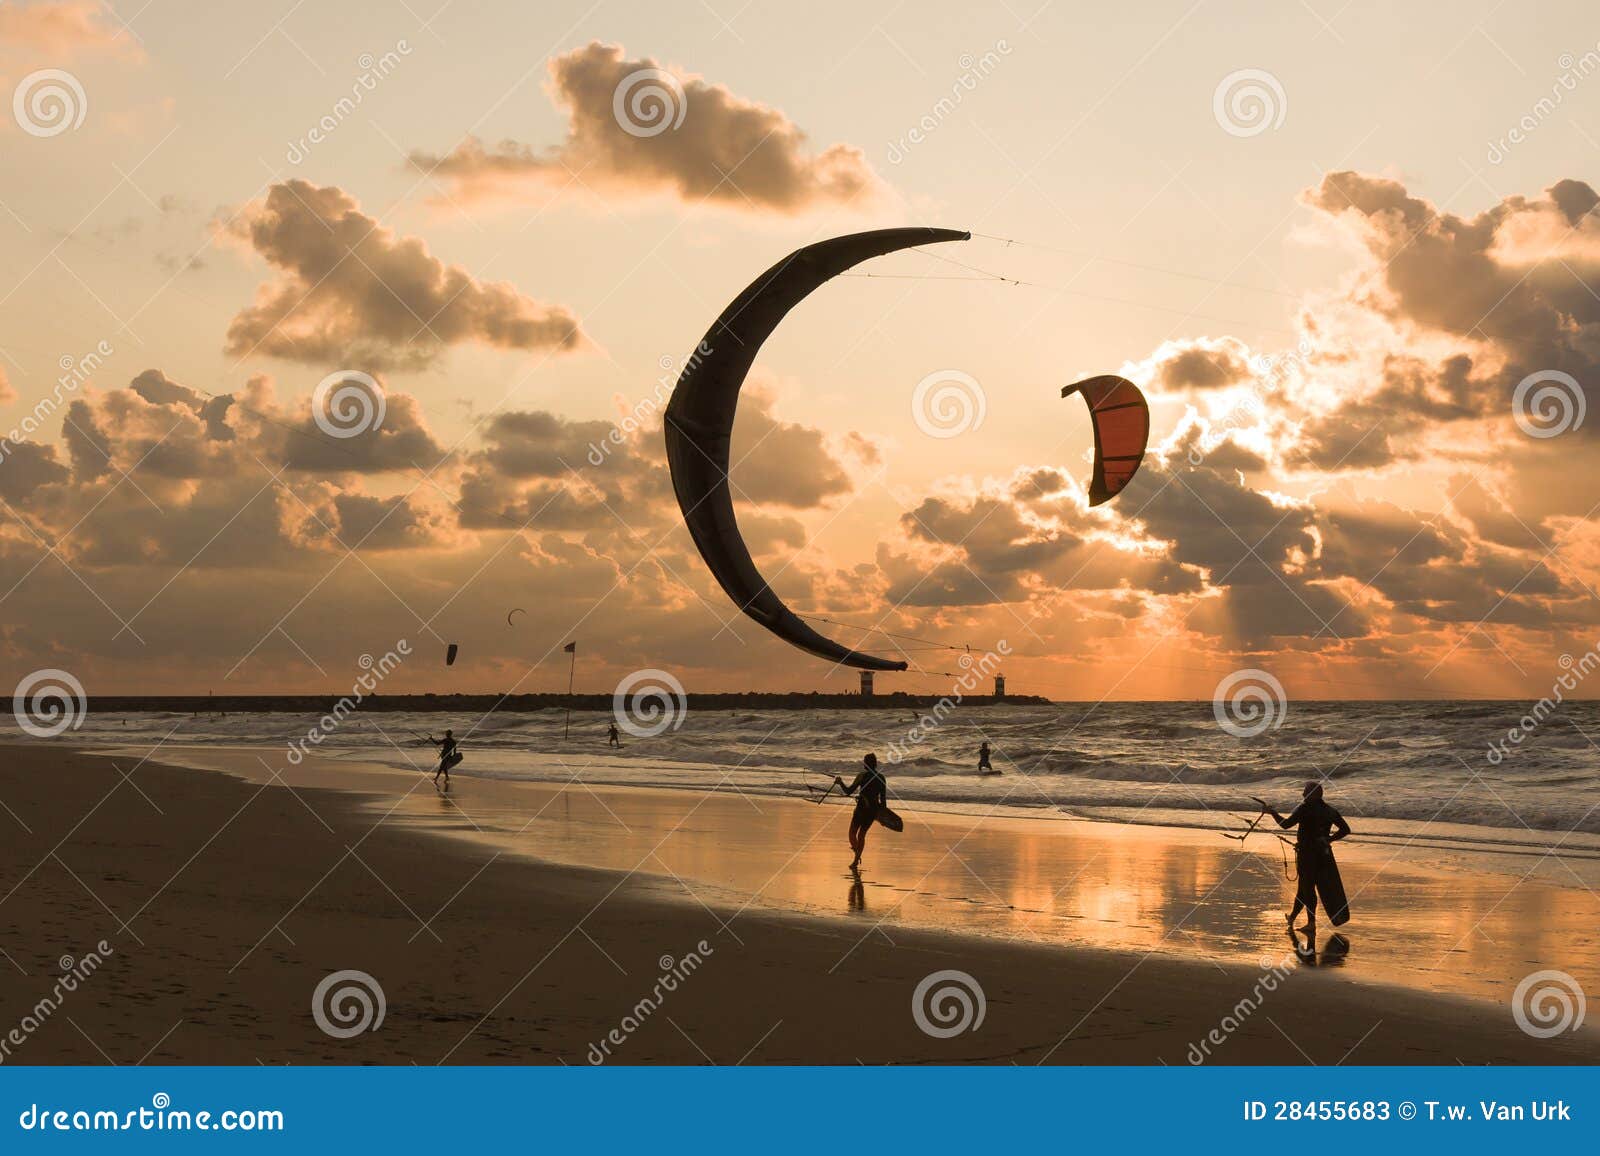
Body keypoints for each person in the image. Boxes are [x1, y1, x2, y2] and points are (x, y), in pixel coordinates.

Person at [1258, 782, 1350, 935]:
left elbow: (1286, 824)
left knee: (1307, 888)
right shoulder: (1330, 810)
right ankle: (1292, 917)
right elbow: (1346, 829)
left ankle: (1311, 923)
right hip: (1324, 855)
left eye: (1305, 792)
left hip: (1307, 854)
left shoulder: (1305, 809)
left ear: (1313, 795)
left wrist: (1272, 812)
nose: (1303, 795)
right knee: (1304, 888)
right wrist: (1329, 839)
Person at [836, 753, 888, 873]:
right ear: (875, 763)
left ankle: (857, 854)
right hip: (873, 811)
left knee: (852, 834)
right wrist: (883, 817)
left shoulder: (861, 776)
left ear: (865, 763)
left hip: (861, 809)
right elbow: (883, 800)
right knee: (862, 835)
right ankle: (855, 860)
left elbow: (848, 791)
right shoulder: (882, 778)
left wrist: (840, 782)